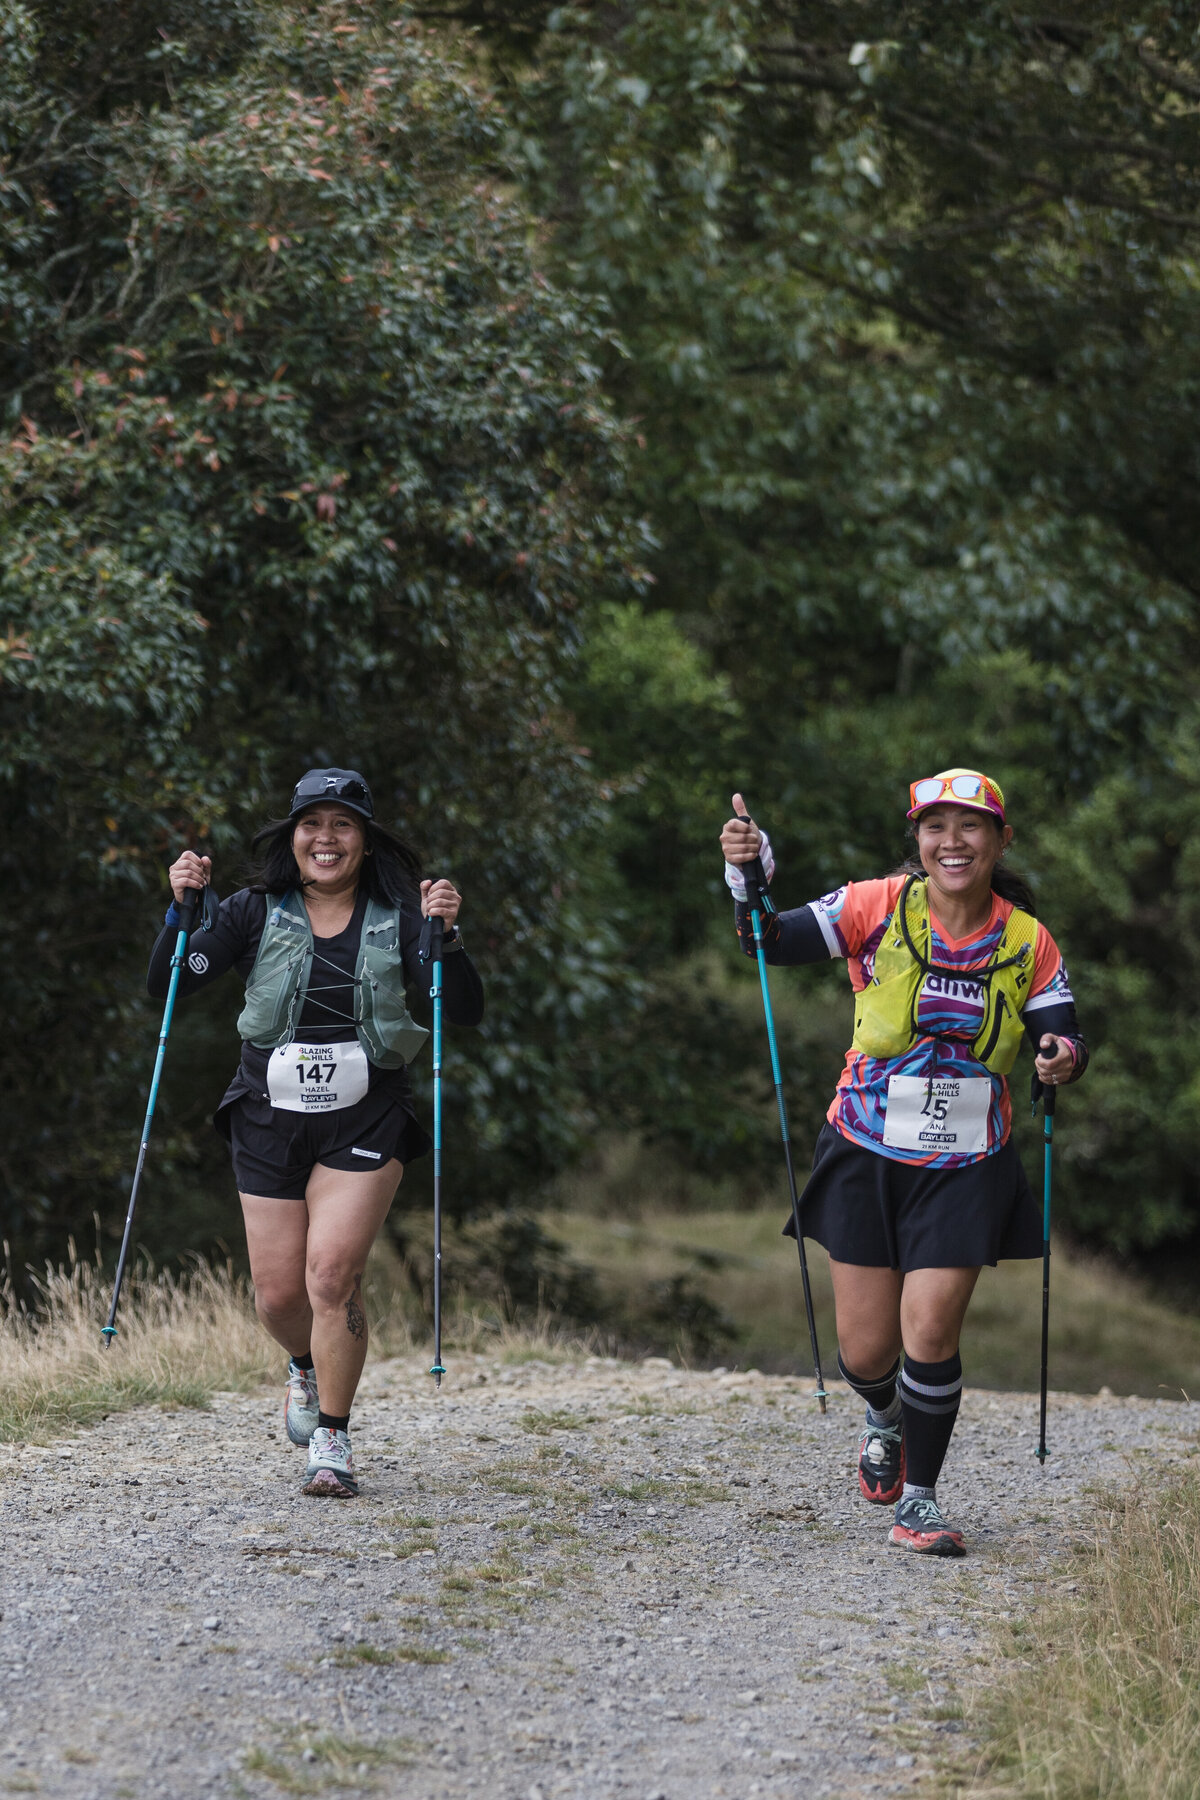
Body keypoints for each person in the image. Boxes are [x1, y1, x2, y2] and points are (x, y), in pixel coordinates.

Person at [720, 770, 1087, 1556]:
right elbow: (767, 940)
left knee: (930, 1327)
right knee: (865, 1351)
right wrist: (748, 873)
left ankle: (918, 1499)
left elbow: (1063, 1027)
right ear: (918, 841)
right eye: (935, 827)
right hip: (865, 1145)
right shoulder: (874, 905)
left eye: (971, 827)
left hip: (969, 1160)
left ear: (1000, 840)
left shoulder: (1027, 938)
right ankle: (882, 1416)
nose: (952, 842)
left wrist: (1060, 1057)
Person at [148, 767, 483, 1498]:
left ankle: (332, 1435)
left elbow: (461, 1009)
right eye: (312, 825)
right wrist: (181, 910)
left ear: (365, 842)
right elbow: (169, 983)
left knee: (332, 1275)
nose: (325, 840)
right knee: (278, 1296)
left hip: (367, 1112)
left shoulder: (400, 914)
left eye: (343, 826)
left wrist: (447, 937)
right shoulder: (250, 911)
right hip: (267, 1112)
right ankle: (302, 1365)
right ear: (292, 837)